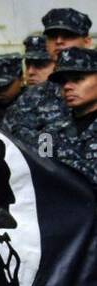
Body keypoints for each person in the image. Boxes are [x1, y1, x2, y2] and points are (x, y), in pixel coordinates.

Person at [3, 12, 90, 148]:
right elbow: (12, 145)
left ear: (87, 42)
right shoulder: (32, 97)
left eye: (68, 35)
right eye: (52, 36)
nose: (59, 41)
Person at [46, 46, 97, 191]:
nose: (67, 86)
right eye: (63, 81)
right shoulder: (48, 133)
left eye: (77, 79)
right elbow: (40, 174)